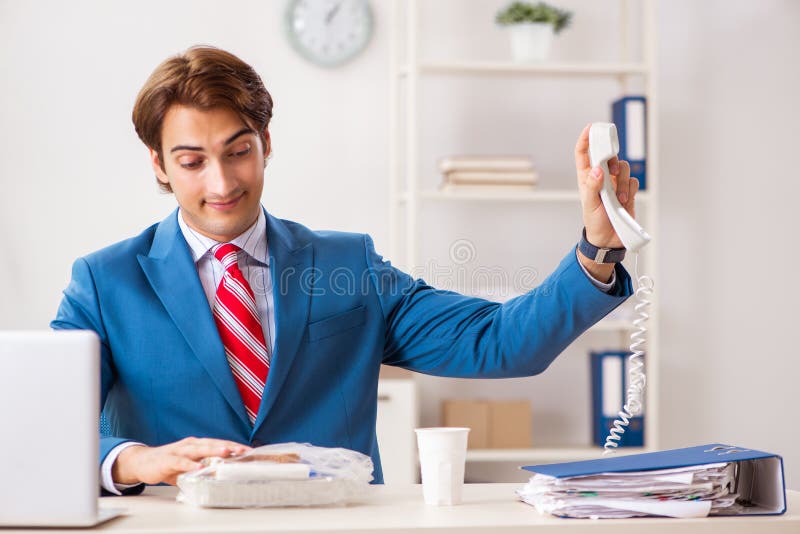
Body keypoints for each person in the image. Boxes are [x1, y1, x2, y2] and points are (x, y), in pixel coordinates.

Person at [52, 46, 638, 495]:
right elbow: (45, 428)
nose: (222, 183)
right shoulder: (105, 283)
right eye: (191, 161)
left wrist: (597, 249)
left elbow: (502, 343)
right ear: (158, 165)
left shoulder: (347, 266)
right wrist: (134, 460)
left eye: (238, 151)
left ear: (266, 143)